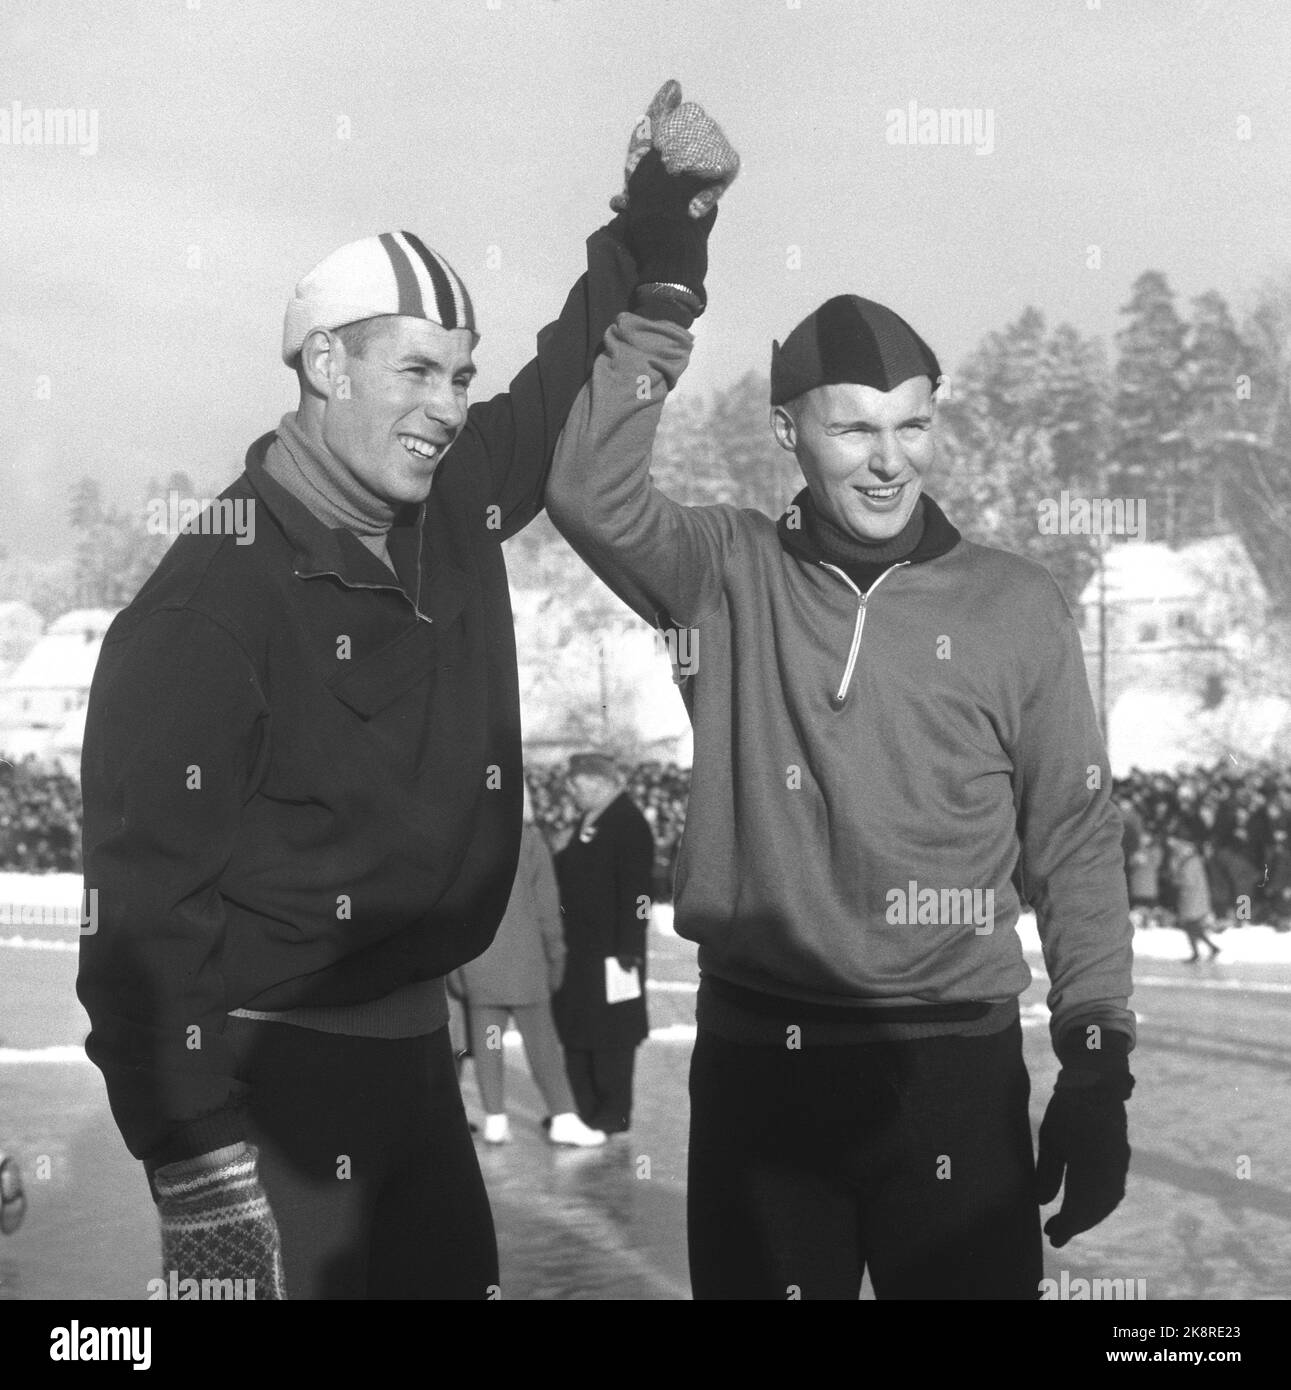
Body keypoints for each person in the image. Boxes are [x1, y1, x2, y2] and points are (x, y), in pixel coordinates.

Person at [76, 81, 736, 1300]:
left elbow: (561, 374)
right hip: (273, 1089)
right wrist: (194, 1162)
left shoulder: (449, 509)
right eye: (417, 371)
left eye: (459, 376)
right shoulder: (204, 608)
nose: (446, 408)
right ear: (325, 362)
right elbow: (141, 920)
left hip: (412, 1072)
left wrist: (663, 221)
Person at [548, 284, 1137, 1298]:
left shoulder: (1015, 604)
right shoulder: (724, 575)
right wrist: (659, 295)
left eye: (912, 423)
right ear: (788, 430)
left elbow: (1074, 836)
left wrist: (1096, 1060)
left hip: (949, 1072)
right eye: (853, 426)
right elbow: (587, 492)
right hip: (760, 1071)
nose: (888, 457)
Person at [451, 782, 607, 1147]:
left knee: (488, 1042)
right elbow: (547, 910)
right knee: (542, 1043)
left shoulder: (460, 843)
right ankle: (565, 1116)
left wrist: (456, 968)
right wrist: (557, 958)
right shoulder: (528, 841)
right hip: (526, 963)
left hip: (476, 962)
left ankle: (494, 1119)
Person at [550, 753, 655, 1136]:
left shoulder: (629, 823)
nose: (571, 792)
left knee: (612, 1033)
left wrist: (629, 946)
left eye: (576, 785)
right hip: (579, 949)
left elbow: (638, 892)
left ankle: (614, 1111)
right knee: (578, 1026)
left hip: (613, 951)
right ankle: (583, 1107)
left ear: (598, 782)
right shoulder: (588, 821)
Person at [1165, 829, 1221, 962]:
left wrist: (1175, 879)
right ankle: (1207, 949)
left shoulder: (1190, 862)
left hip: (1192, 897)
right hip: (1193, 897)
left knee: (1190, 924)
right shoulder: (1191, 860)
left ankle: (1201, 952)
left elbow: (1188, 881)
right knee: (1191, 925)